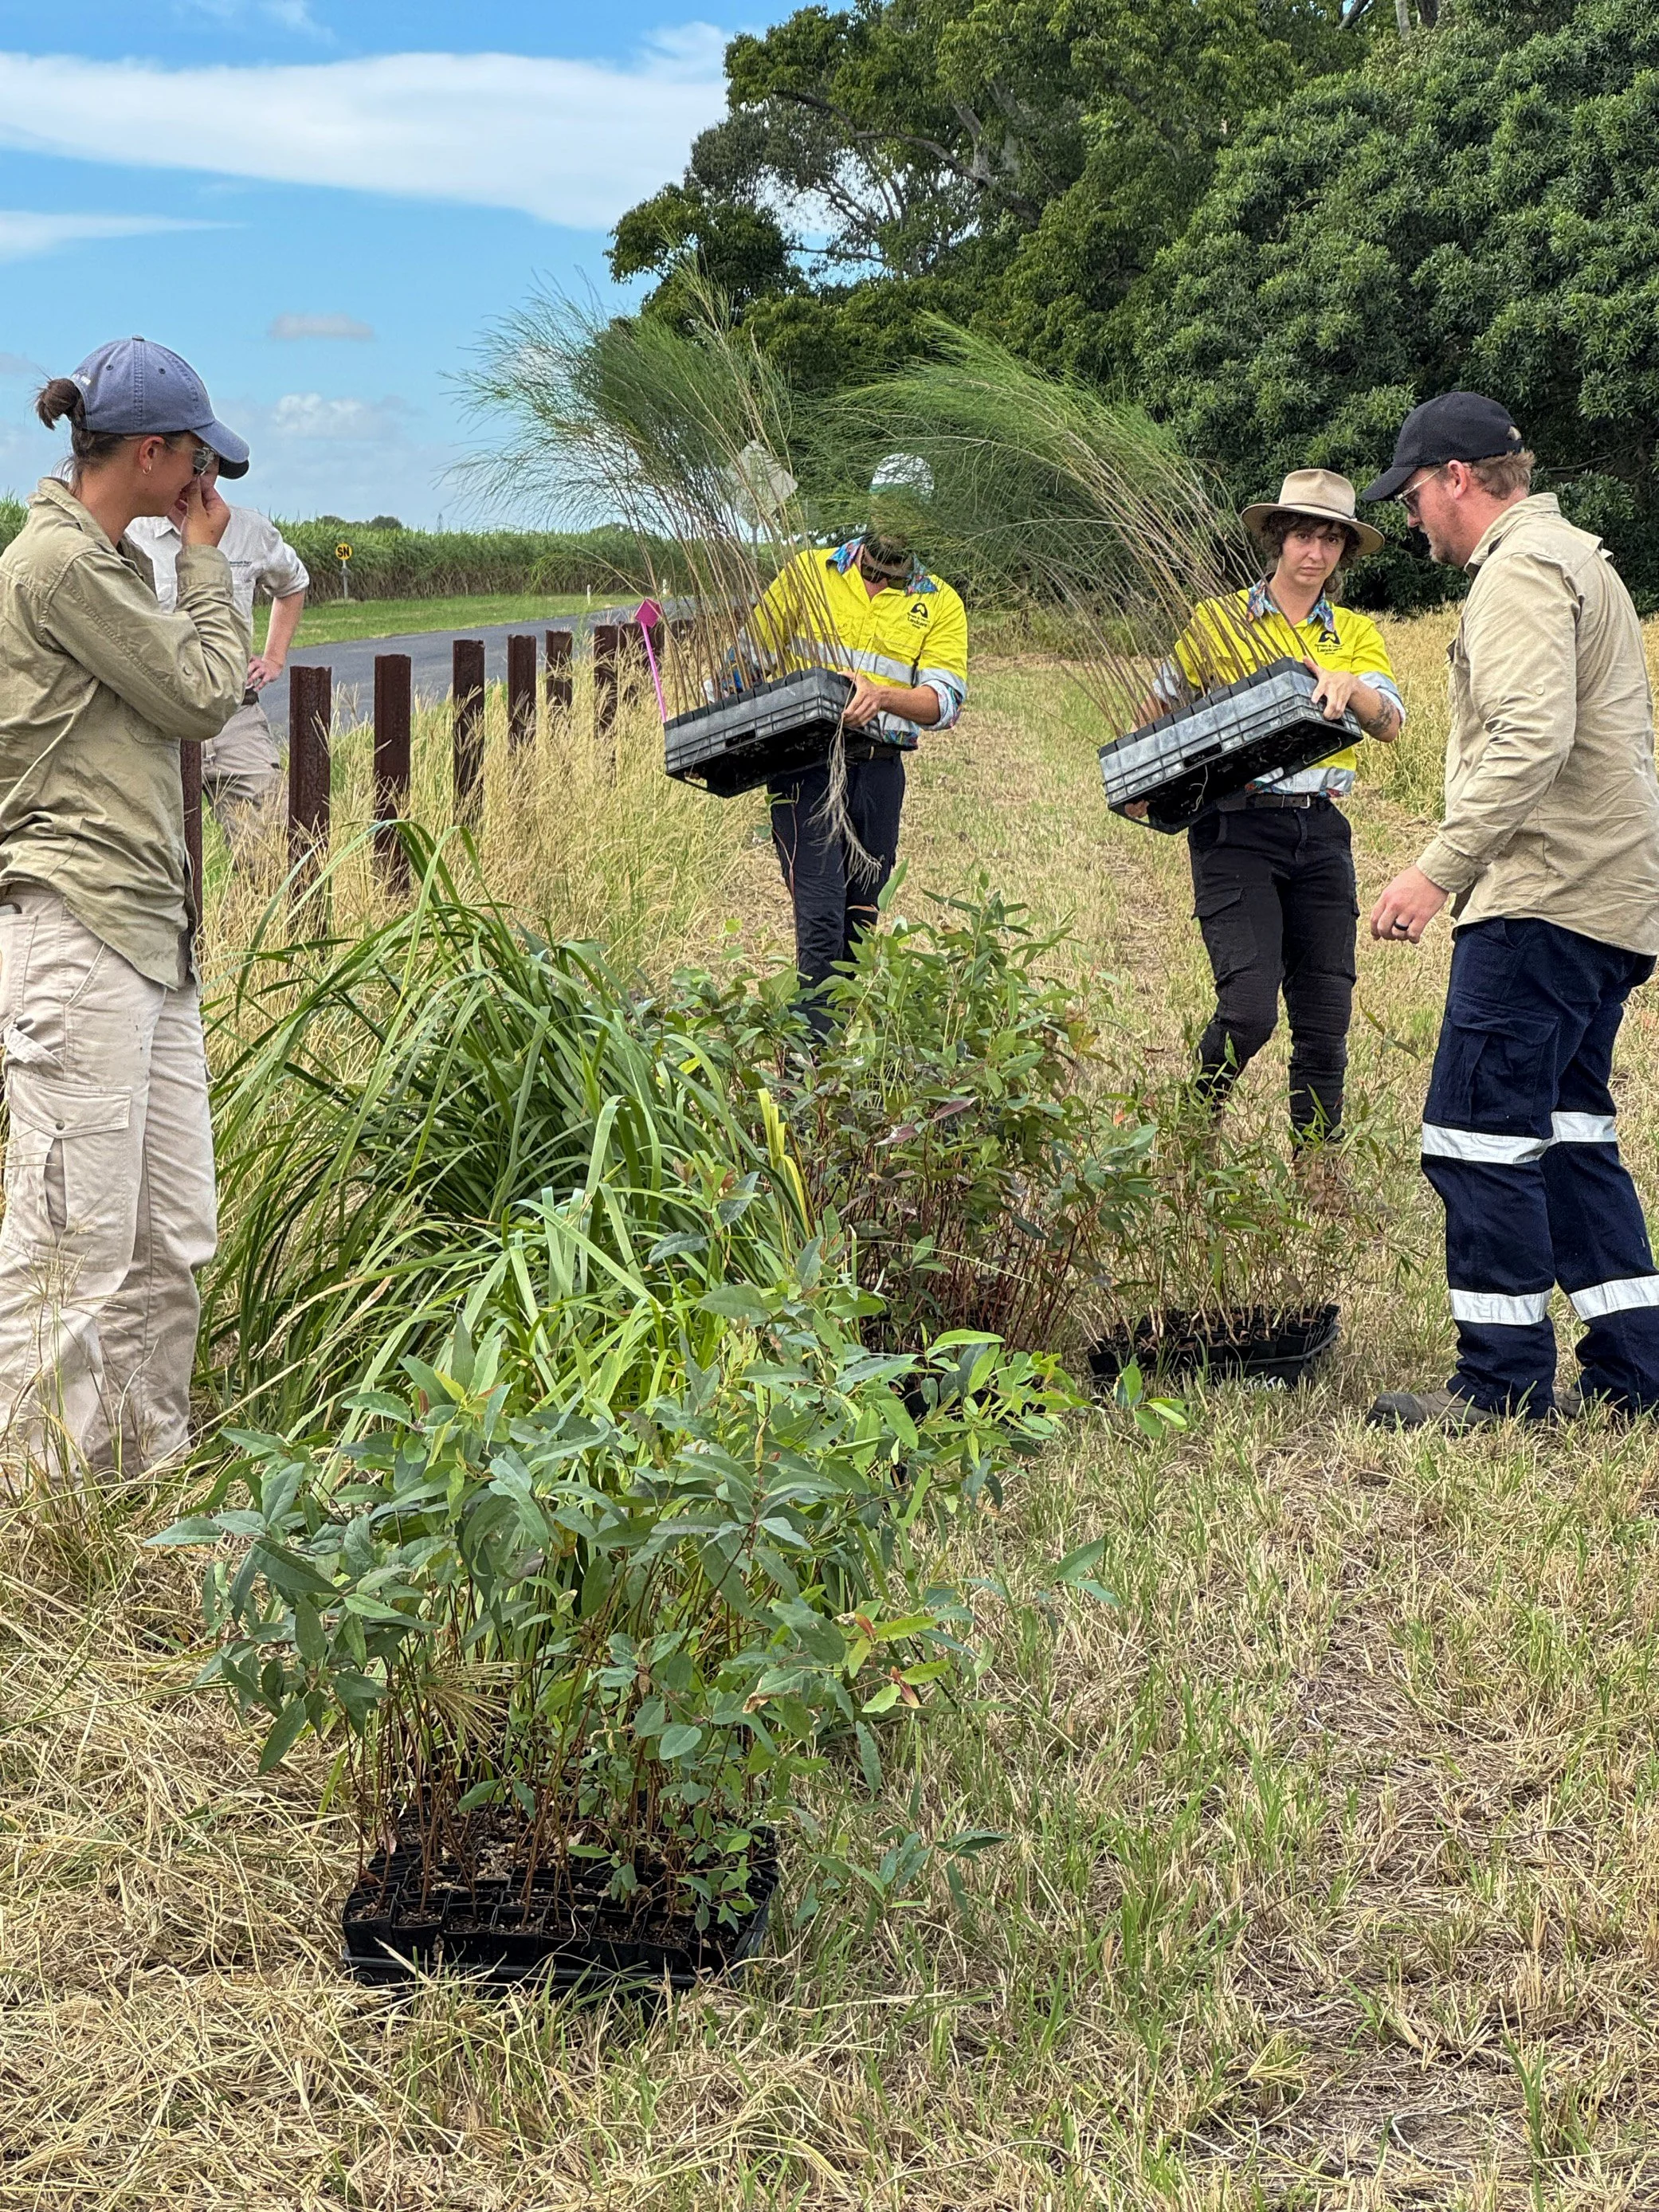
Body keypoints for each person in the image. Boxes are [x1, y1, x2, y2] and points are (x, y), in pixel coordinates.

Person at [1364, 392, 1659, 1428]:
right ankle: (1634, 1370)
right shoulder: (1581, 559)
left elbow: (1529, 733)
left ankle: (1498, 1389)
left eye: (1409, 496)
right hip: (1607, 903)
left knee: (1474, 1136)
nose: (1407, 518)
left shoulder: (1520, 570)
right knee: (1570, 1134)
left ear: (1454, 479)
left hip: (1539, 899)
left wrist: (1434, 870)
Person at [0, 338, 249, 1481]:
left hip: (145, 933)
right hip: (81, 923)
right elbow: (203, 693)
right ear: (152, 454)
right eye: (198, 464)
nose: (208, 488)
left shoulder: (98, 563)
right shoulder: (59, 565)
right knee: (70, 1249)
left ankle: (142, 1488)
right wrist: (204, 562)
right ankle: (42, 1525)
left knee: (165, 1238)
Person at [1155, 471, 1403, 1144]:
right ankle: (1193, 1122)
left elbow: (1389, 722)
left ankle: (1317, 1172)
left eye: (1330, 540)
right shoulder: (1215, 622)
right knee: (1249, 1011)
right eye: (1302, 535)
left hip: (1321, 832)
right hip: (1234, 828)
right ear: (1277, 539)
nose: (1315, 553)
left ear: (1344, 553)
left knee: (1326, 1020)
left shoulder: (1354, 633)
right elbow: (1159, 713)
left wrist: (1350, 686)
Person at [746, 456, 969, 1037]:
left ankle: (824, 1057)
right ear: (870, 504)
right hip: (805, 770)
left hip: (877, 775)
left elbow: (944, 702)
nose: (896, 522)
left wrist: (886, 696)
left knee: (857, 928)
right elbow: (744, 666)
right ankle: (807, 1078)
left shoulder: (939, 601)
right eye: (888, 505)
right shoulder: (807, 573)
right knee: (819, 918)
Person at [128, 483, 308, 862]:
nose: (192, 478)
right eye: (187, 462)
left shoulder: (249, 529)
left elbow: (293, 583)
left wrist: (274, 658)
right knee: (154, 862)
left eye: (205, 465)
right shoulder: (132, 532)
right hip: (156, 720)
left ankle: (259, 921)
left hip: (235, 713)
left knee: (273, 852)